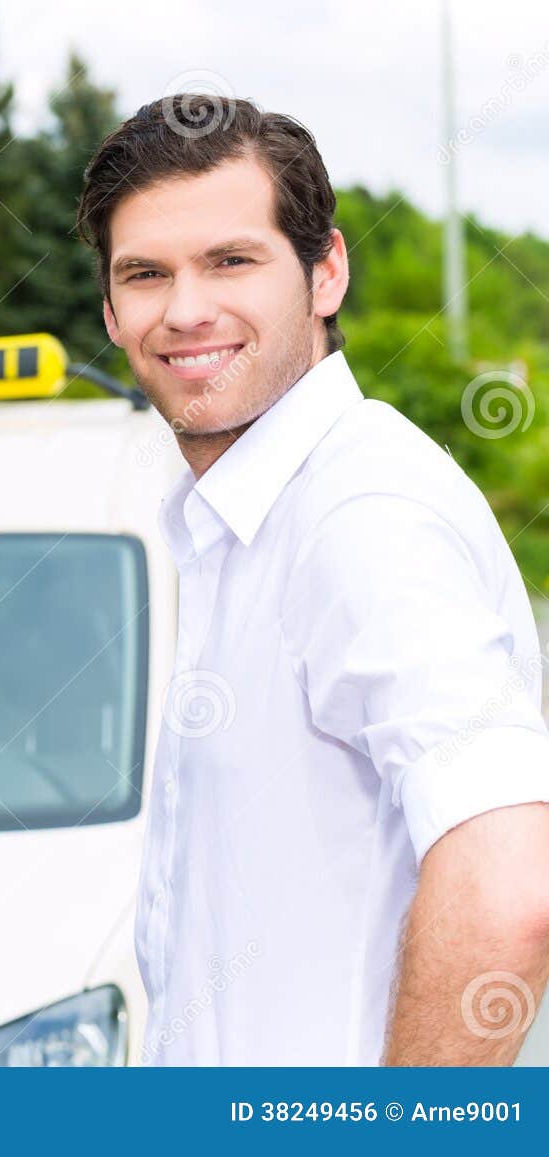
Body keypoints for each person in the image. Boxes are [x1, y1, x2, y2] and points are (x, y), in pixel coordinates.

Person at [76, 94, 549, 1064]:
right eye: (146, 273)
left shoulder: (359, 514)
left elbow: (511, 883)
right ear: (111, 310)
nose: (185, 308)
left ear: (324, 270)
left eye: (230, 261)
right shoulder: (249, 516)